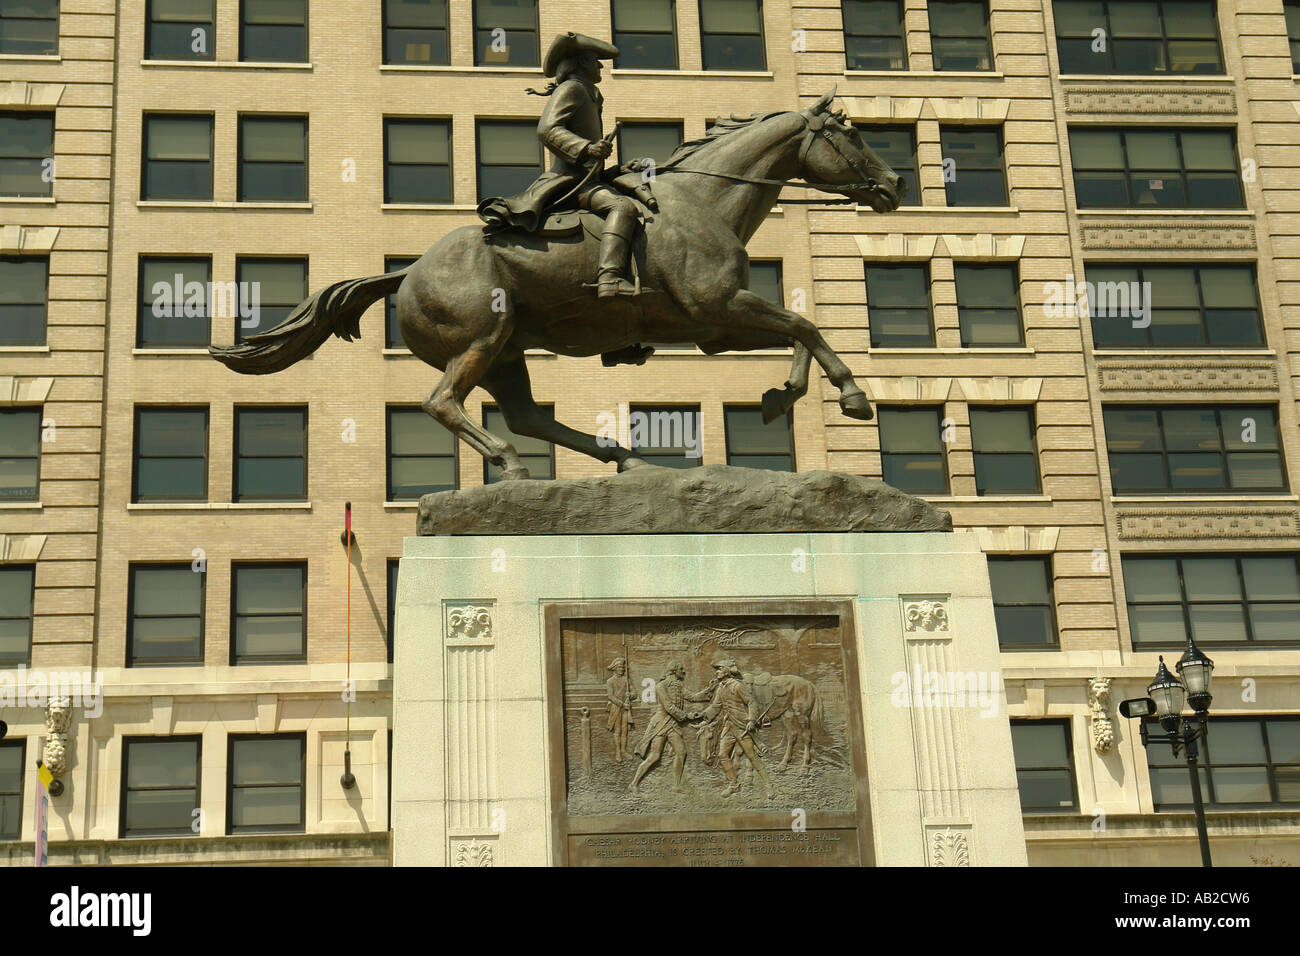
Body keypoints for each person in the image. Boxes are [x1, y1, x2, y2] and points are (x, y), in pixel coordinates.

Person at [476, 31, 655, 365]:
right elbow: (547, 129)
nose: (601, 66)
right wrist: (587, 148)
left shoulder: (590, 92)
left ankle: (617, 336)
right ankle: (609, 279)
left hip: (589, 177)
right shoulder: (573, 89)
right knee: (623, 207)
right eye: (595, 60)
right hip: (573, 183)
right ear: (583, 63)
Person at [699, 658, 774, 798]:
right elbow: (715, 706)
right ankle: (734, 785)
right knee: (722, 755)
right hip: (729, 727)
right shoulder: (720, 687)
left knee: (752, 756)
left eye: (720, 669)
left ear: (727, 671)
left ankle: (768, 786)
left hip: (741, 726)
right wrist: (702, 716)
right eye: (717, 670)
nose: (717, 672)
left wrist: (751, 720)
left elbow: (751, 702)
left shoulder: (737, 686)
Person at [629, 660, 698, 793]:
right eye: (681, 668)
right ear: (674, 670)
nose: (683, 671)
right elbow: (669, 707)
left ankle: (676, 786)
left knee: (681, 752)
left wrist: (710, 690)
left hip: (672, 725)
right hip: (661, 724)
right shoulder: (661, 686)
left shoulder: (679, 686)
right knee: (654, 756)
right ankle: (633, 784)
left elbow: (693, 696)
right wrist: (687, 716)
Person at [605, 657, 632, 763]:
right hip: (616, 708)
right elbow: (610, 696)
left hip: (625, 709)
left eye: (623, 667)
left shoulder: (626, 680)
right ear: (615, 668)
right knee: (617, 731)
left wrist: (631, 695)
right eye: (620, 667)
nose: (622, 669)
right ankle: (617, 752)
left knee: (624, 730)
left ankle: (624, 750)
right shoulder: (610, 681)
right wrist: (622, 704)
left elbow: (634, 693)